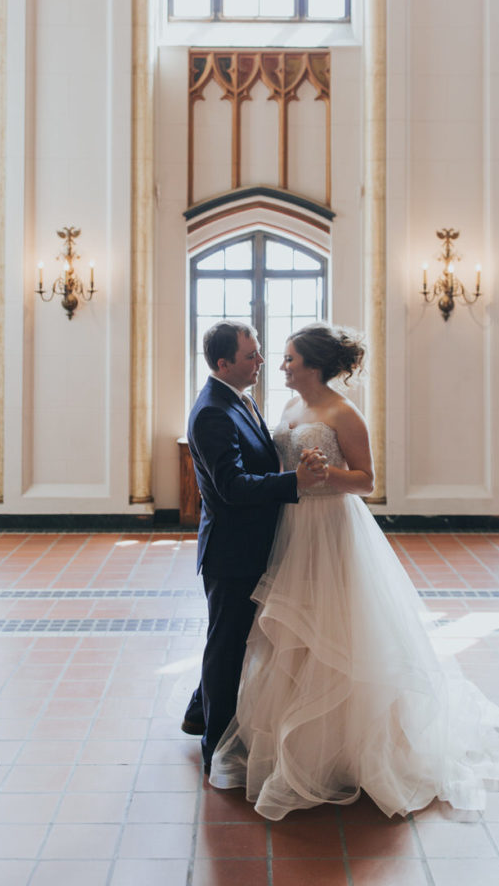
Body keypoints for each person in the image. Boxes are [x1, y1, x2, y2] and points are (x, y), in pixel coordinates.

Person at [210, 322, 499, 819]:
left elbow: (367, 482)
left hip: (331, 529)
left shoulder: (343, 412)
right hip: (289, 529)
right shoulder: (288, 409)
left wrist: (324, 474)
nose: (280, 365)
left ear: (313, 365)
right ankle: (296, 744)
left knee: (338, 631)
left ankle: (348, 750)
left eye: (288, 358)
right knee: (295, 635)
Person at [183, 319, 328, 773]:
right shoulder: (211, 411)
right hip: (232, 551)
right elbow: (232, 486)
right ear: (224, 363)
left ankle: (199, 712)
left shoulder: (237, 399)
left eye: (260, 351)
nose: (261, 361)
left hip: (253, 543)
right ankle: (214, 745)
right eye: (251, 355)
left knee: (238, 639)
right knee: (227, 646)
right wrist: (295, 482)